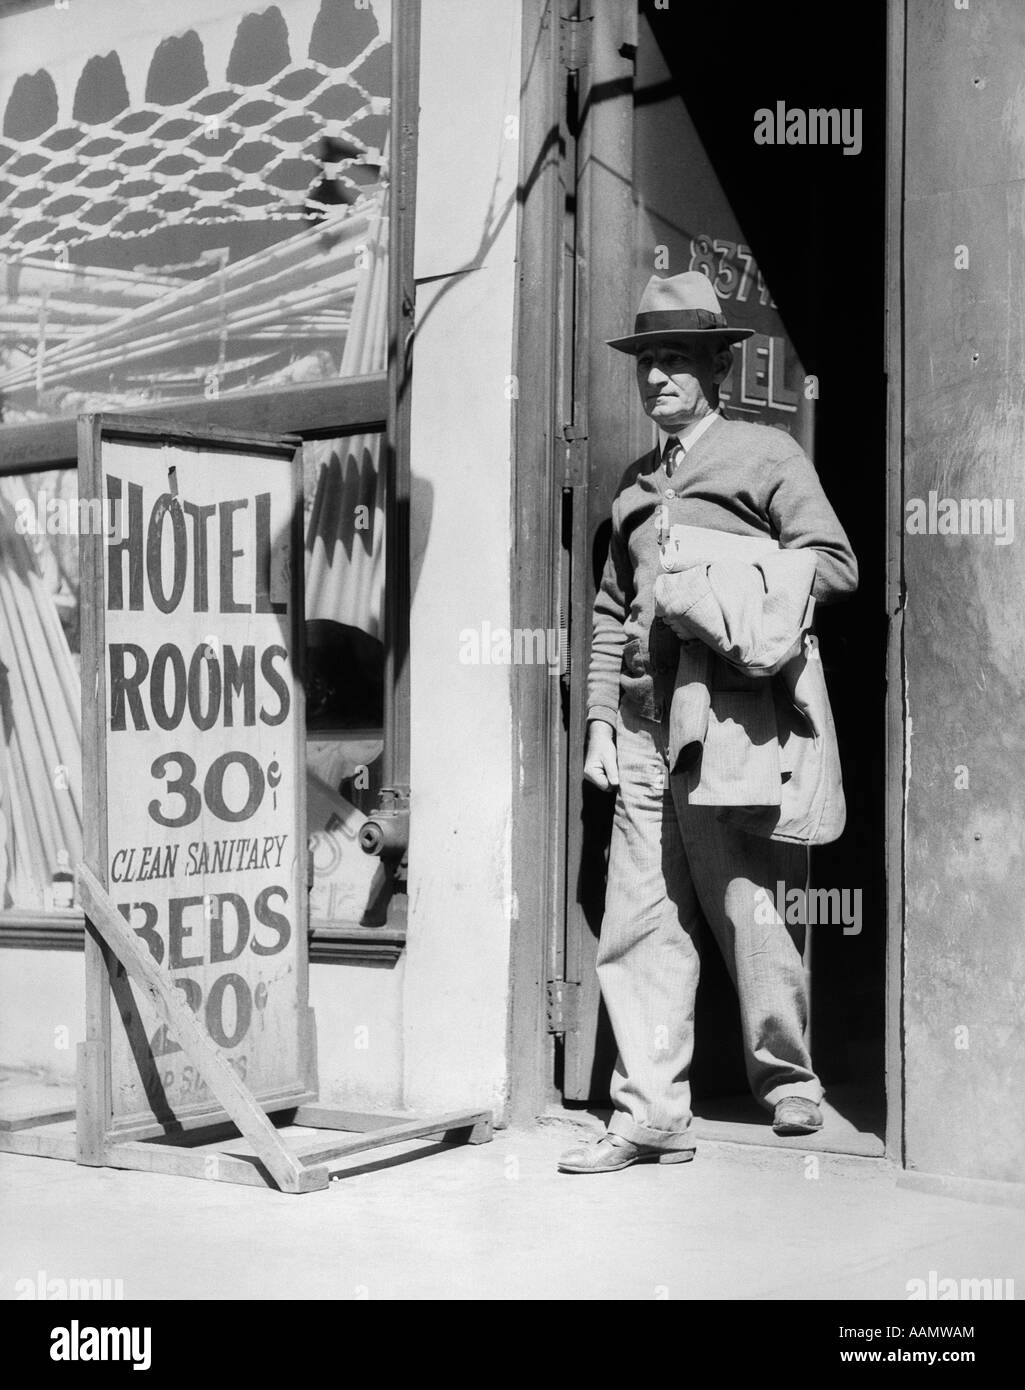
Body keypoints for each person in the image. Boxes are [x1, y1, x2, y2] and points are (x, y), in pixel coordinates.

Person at [558, 271, 858, 1175]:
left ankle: (788, 1080)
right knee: (638, 923)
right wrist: (601, 725)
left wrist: (718, 580)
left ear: (715, 369)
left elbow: (833, 565)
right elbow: (612, 612)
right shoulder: (635, 482)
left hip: (733, 727)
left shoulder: (763, 457)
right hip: (646, 734)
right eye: (647, 362)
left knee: (749, 910)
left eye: (676, 360)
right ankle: (650, 1114)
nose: (656, 378)